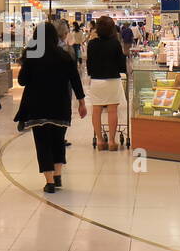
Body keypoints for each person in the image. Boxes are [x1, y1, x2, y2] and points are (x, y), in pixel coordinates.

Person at [16, 22, 86, 193]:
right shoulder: (64, 55)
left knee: (42, 143)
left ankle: (49, 182)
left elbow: (22, 81)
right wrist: (81, 102)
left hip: (37, 105)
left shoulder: (32, 55)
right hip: (60, 105)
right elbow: (75, 79)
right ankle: (58, 174)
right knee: (58, 141)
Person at [86, 15, 127, 150]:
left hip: (97, 81)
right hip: (112, 80)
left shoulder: (92, 44)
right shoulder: (115, 43)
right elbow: (122, 64)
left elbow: (89, 65)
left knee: (96, 110)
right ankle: (111, 141)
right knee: (112, 111)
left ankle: (99, 141)